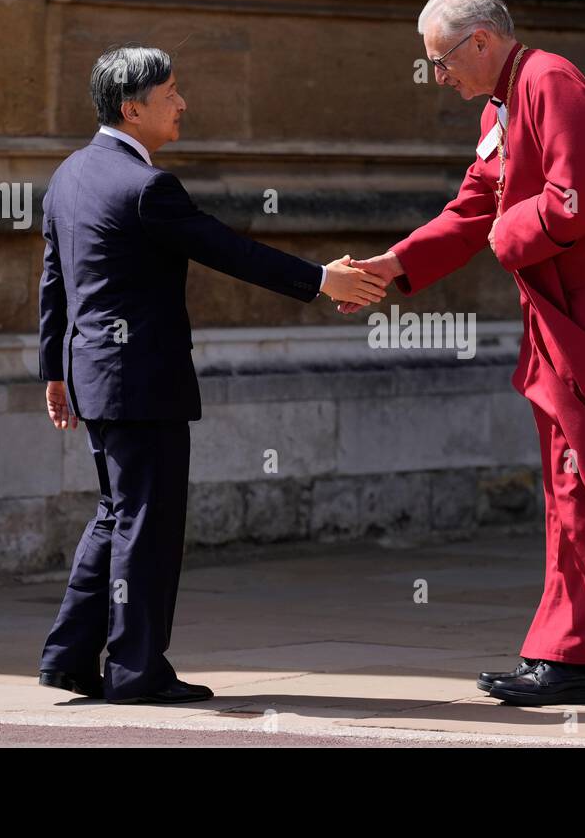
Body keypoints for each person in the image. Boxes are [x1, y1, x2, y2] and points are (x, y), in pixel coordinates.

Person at [344, 0, 585, 705]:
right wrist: (393, 264)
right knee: (570, 476)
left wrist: (507, 235)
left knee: (583, 474)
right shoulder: (504, 103)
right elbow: (472, 204)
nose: (439, 76)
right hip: (557, 306)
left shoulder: (551, 81)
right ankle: (573, 646)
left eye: (442, 60)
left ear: (482, 42)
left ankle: (573, 657)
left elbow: (574, 199)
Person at [37, 45, 386, 704]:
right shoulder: (147, 188)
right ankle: (136, 669)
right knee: (146, 521)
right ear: (132, 107)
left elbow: (54, 282)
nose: (183, 103)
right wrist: (320, 279)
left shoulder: (69, 175)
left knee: (116, 513)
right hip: (143, 382)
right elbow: (229, 249)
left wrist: (54, 369)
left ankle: (68, 656)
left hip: (94, 376)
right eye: (170, 93)